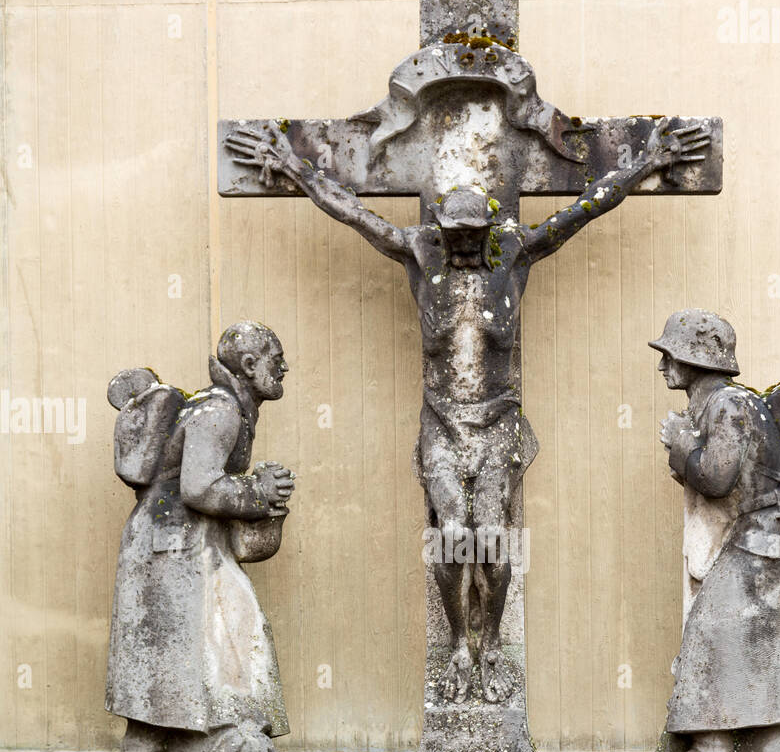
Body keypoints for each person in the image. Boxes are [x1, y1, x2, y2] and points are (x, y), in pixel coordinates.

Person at [225, 116, 711, 703]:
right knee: (454, 536)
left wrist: (644, 163)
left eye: (470, 234)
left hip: (499, 421)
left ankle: (493, 642)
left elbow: (581, 211)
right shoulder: (419, 254)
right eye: (452, 233)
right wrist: (293, 166)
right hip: (443, 424)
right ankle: (461, 642)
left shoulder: (513, 255)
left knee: (492, 540)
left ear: (487, 228)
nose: (460, 244)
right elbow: (351, 210)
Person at [649, 310, 780, 752]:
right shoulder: (724, 403)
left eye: (670, 355)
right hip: (776, 531)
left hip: (774, 535)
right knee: (727, 632)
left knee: (709, 628)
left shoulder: (726, 404)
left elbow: (717, 478)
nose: (662, 367)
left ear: (695, 359)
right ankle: (728, 749)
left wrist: (679, 444)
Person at [106, 322, 295, 752]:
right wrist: (258, 494)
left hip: (185, 543)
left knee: (223, 631)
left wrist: (266, 504)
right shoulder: (220, 411)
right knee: (172, 642)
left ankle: (222, 735)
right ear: (249, 367)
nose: (284, 368)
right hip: (166, 544)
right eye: (276, 359)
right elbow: (198, 486)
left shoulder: (230, 409)